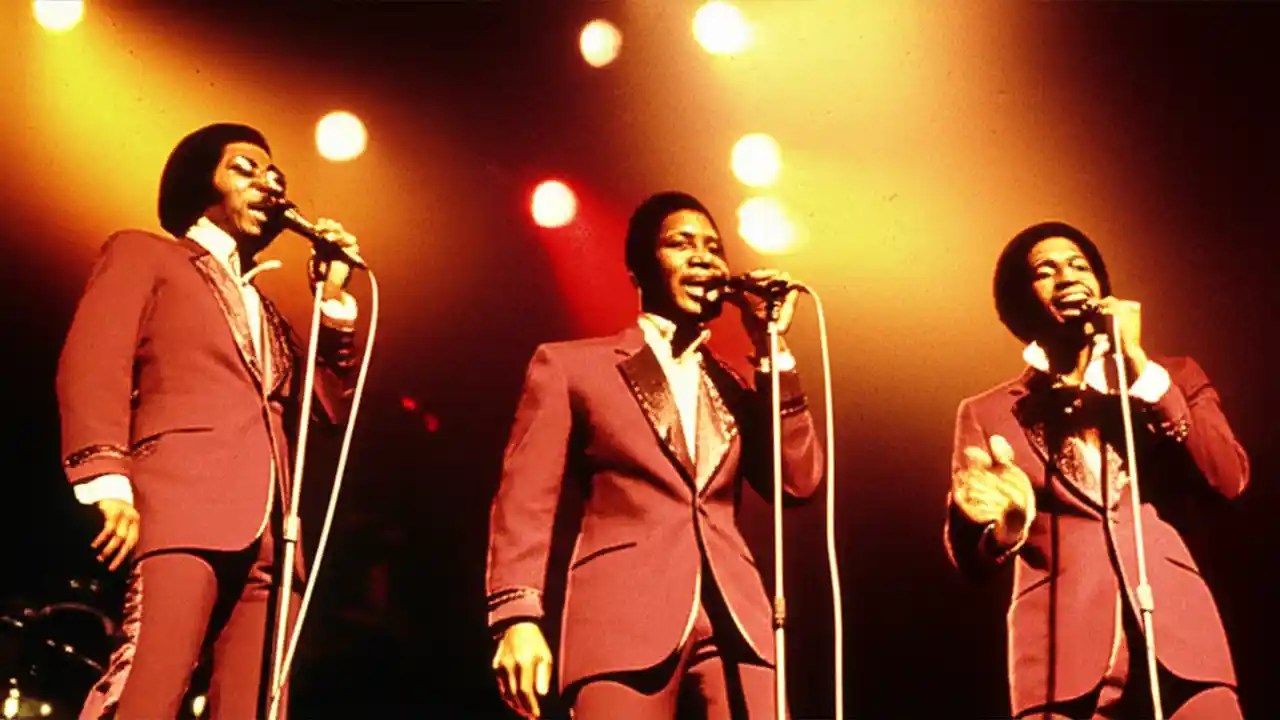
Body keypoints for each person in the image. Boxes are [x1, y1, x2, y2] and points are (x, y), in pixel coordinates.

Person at [57, 122, 364, 719]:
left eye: (275, 176)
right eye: (245, 169)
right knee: (147, 689)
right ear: (203, 184)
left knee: (253, 707)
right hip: (181, 506)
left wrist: (333, 301)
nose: (268, 184)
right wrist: (107, 480)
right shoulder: (146, 253)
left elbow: (325, 409)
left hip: (275, 534)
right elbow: (93, 361)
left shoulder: (269, 312)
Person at [485, 191, 825, 719]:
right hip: (621, 620)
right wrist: (517, 615)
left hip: (737, 623)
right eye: (681, 244)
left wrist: (773, 352)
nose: (704, 257)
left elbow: (798, 481)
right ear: (641, 268)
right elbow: (525, 498)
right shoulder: (573, 366)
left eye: (714, 247)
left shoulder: (735, 386)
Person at [945, 221, 1248, 719]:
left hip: (1183, 643)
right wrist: (1005, 528)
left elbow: (1229, 479)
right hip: (1058, 657)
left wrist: (1141, 372)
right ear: (1023, 303)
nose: (1067, 277)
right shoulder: (989, 412)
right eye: (1046, 271)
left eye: (1079, 266)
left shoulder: (1171, 378)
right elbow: (970, 559)